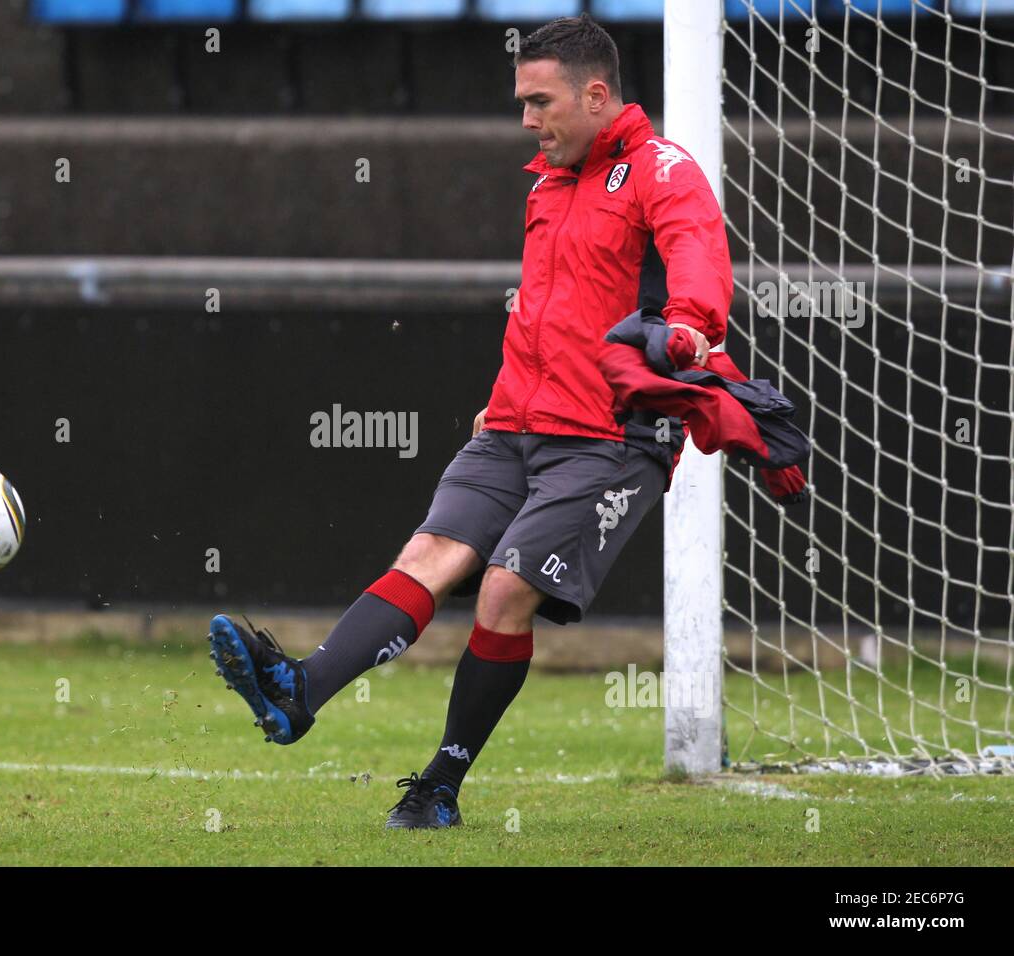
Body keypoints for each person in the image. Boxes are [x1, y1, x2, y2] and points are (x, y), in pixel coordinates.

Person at [207, 14, 732, 830]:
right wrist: (507, 392)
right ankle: (300, 691)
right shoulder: (548, 185)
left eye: (539, 101)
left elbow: (697, 260)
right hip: (517, 419)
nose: (526, 119)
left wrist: (692, 325)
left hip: (612, 435)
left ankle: (439, 788)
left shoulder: (664, 172)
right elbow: (542, 312)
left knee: (503, 586)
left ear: (597, 95)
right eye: (520, 101)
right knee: (429, 554)